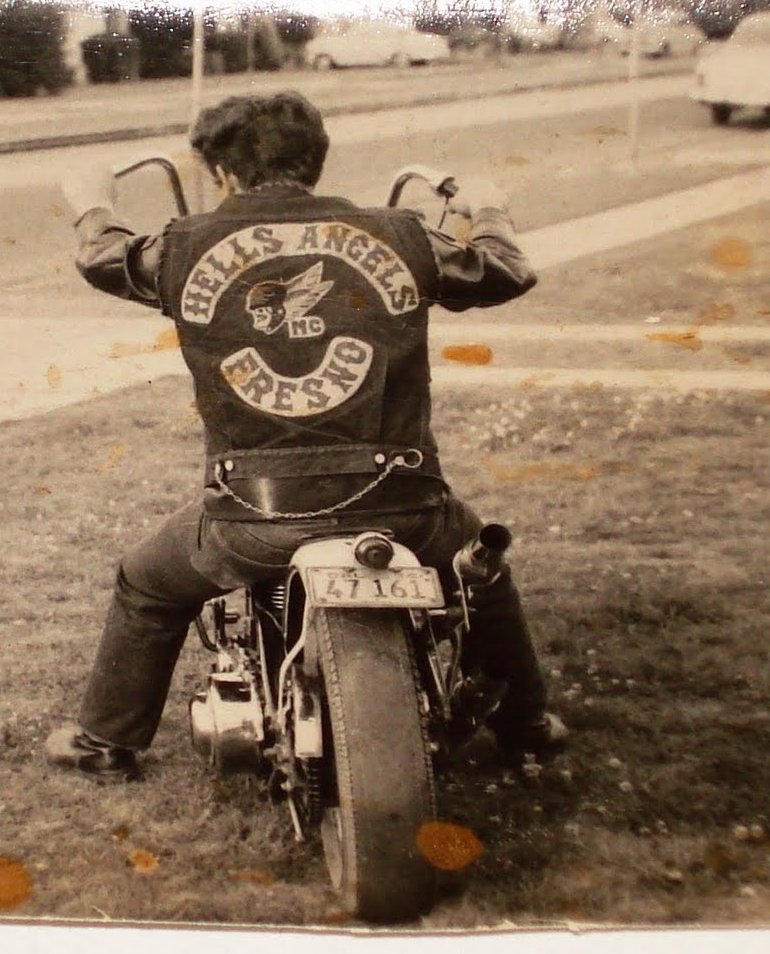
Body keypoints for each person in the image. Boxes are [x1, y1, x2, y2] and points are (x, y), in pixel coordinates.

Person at [45, 90, 565, 782]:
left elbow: (103, 255)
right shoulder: (403, 234)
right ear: (315, 163)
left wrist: (93, 201)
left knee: (145, 581)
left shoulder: (183, 244)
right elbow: (506, 270)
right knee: (482, 574)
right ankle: (525, 726)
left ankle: (105, 744)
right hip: (404, 505)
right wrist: (487, 205)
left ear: (221, 173)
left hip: (252, 516)